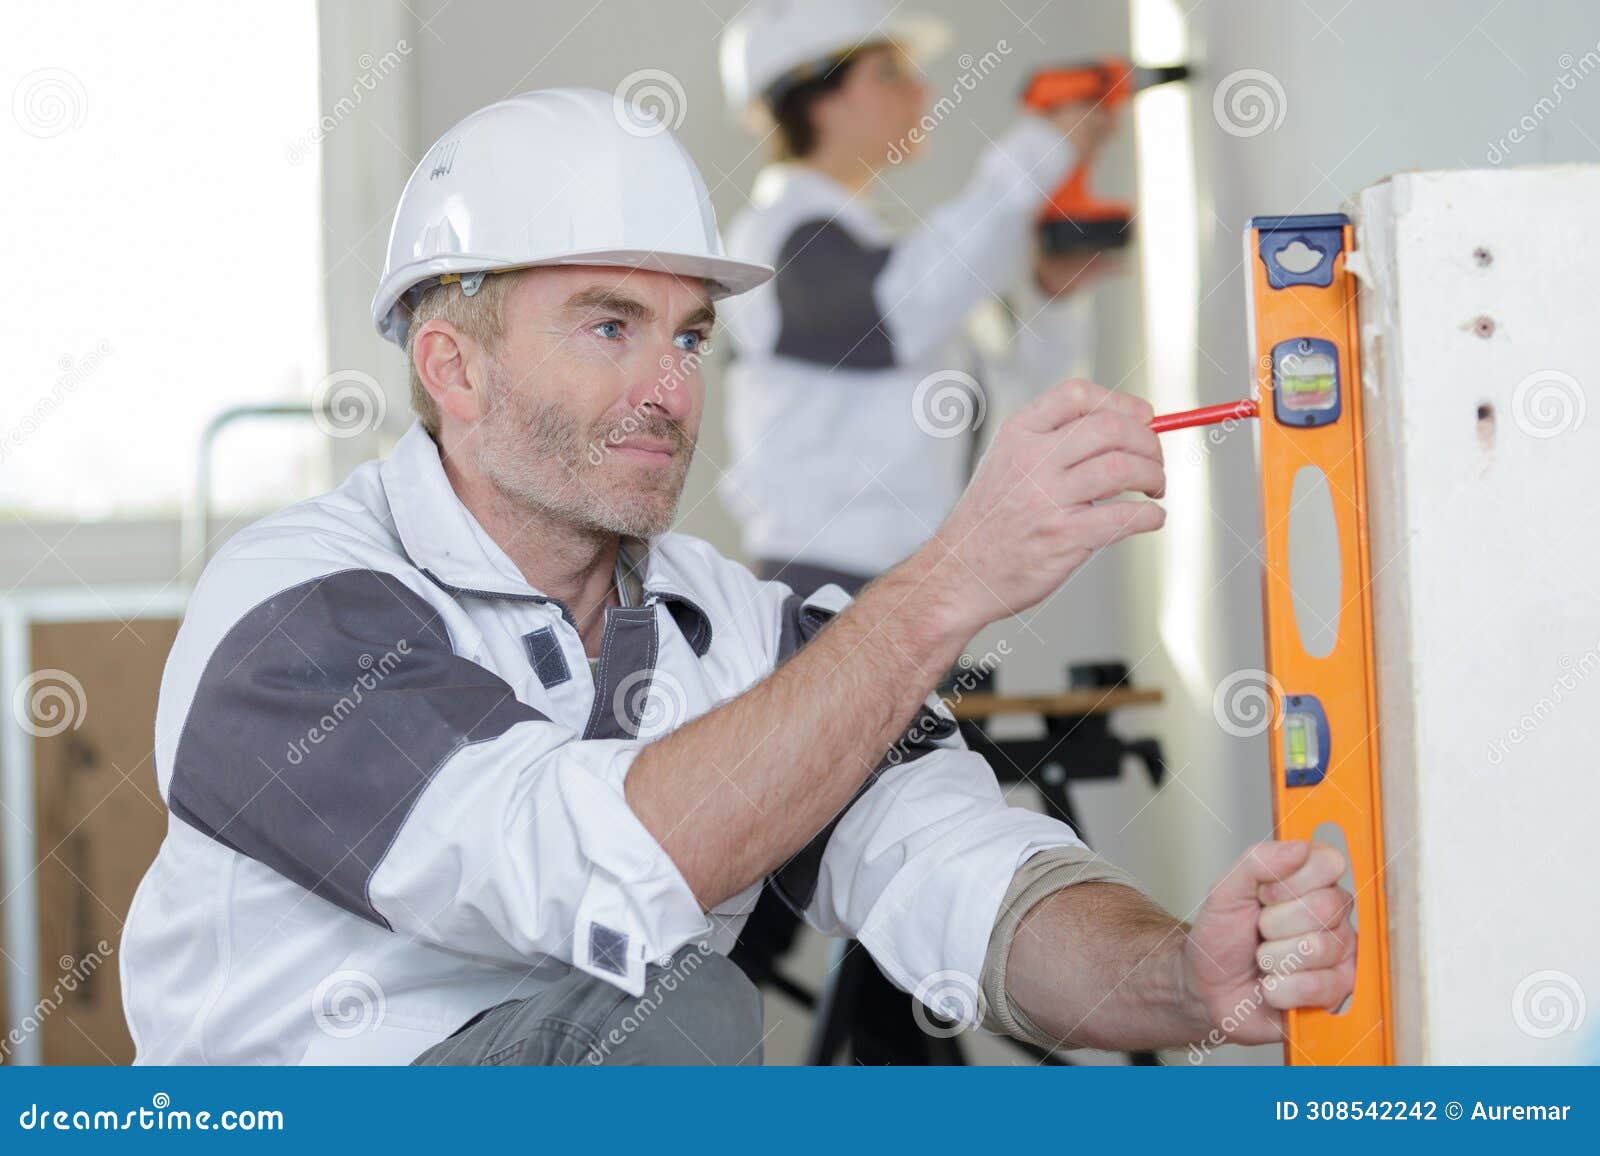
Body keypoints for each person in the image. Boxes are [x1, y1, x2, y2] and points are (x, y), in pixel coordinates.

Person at [119, 88, 1355, 1066]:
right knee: (684, 1011)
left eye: (690, 335)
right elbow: (575, 862)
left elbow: (961, 872)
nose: (671, 388)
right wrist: (944, 586)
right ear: (453, 367)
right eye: (611, 325)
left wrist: (1178, 975)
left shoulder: (741, 631)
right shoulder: (297, 617)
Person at [717, 0, 1119, 598]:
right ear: (816, 99)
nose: (920, 89)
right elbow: (902, 310)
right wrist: (1040, 149)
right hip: (828, 595)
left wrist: (1053, 297)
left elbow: (1020, 407)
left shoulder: (874, 249)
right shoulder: (775, 238)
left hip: (913, 585)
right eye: (889, 72)